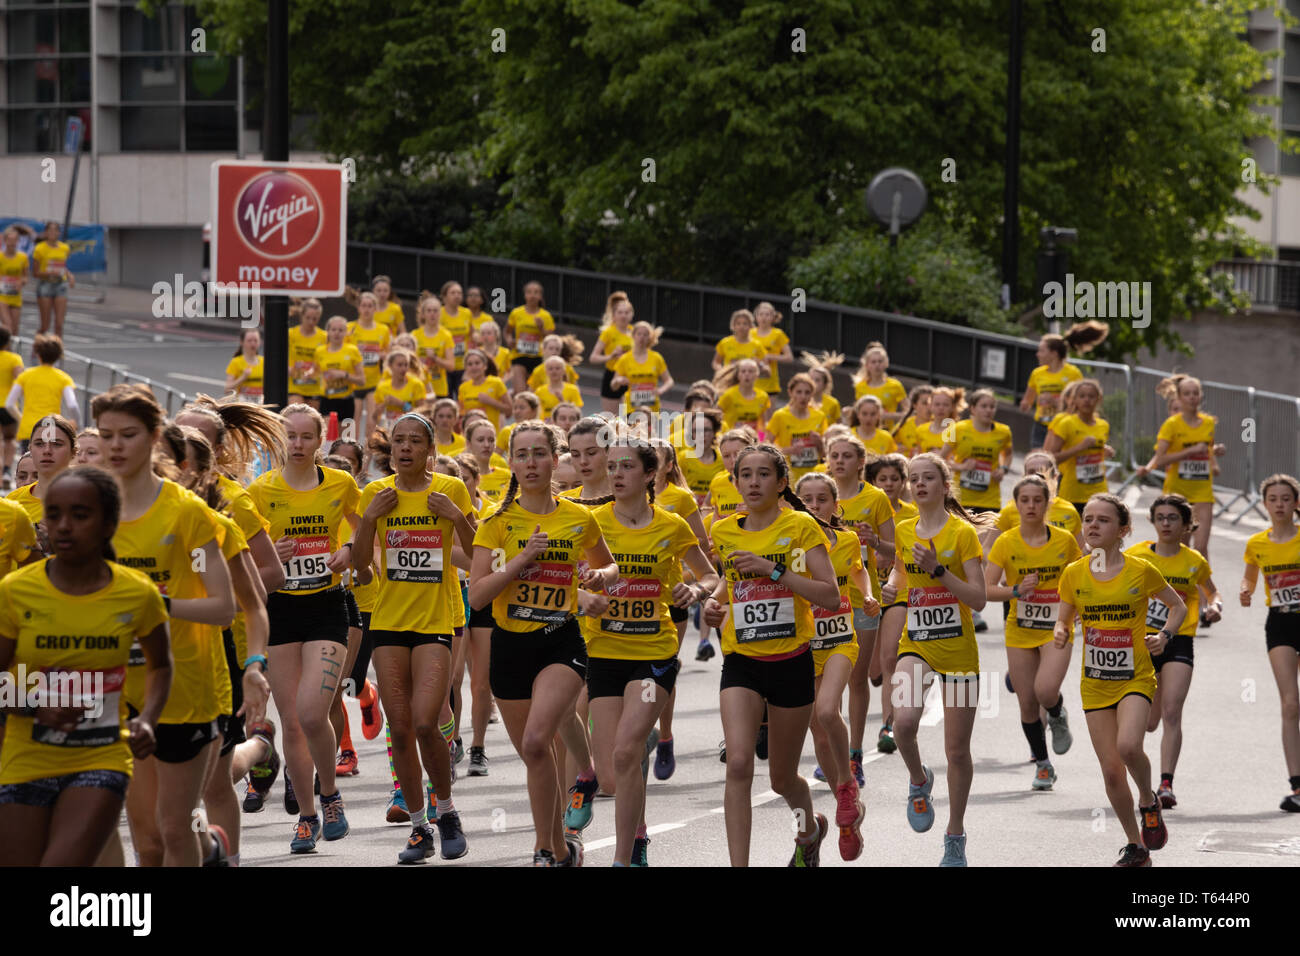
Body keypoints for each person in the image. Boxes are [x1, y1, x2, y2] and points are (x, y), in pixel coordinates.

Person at [94, 384, 237, 867]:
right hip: (116, 692)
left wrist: (158, 604)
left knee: (176, 826)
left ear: (155, 437)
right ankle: (210, 849)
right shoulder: (91, 514)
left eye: (128, 435)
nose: (115, 446)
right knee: (147, 840)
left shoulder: (186, 514)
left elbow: (223, 606)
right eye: (107, 435)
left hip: (184, 689)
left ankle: (208, 847)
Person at [0, 468, 171, 865]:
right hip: (25, 758)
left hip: (101, 757)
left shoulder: (136, 592)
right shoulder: (15, 591)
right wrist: (34, 706)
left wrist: (147, 717)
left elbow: (161, 665)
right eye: (54, 514)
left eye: (79, 515)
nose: (63, 526)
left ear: (108, 523)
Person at [469, 420, 620, 866]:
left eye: (539, 454)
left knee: (538, 742)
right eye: (522, 455)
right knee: (535, 757)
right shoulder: (496, 523)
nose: (530, 463)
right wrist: (521, 559)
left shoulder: (578, 517)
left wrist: (597, 576)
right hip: (510, 647)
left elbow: (610, 569)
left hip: (561, 642)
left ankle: (542, 849)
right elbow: (477, 595)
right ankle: (560, 845)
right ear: (511, 463)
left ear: (556, 461)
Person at [701, 444, 841, 866]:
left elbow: (831, 595)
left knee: (782, 779)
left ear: (781, 483)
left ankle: (809, 829)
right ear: (736, 481)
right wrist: (712, 605)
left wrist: (773, 569)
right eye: (746, 474)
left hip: (792, 662)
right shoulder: (724, 530)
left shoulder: (800, 525)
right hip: (741, 661)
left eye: (764, 475)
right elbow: (730, 582)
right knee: (739, 763)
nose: (754, 482)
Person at [583, 438, 718, 865]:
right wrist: (585, 593)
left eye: (627, 467)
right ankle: (637, 827)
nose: (617, 474)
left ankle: (625, 856)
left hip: (653, 652)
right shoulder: (591, 522)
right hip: (602, 652)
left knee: (625, 752)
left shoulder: (672, 525)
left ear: (649, 475)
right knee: (609, 775)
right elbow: (563, 576)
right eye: (612, 467)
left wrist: (694, 590)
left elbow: (711, 577)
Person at [353, 413, 474, 861]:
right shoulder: (375, 495)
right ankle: (420, 828)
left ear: (429, 449)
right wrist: (367, 520)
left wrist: (456, 516)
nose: (405, 448)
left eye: (414, 441)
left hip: (434, 622)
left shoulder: (450, 490)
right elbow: (362, 563)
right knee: (399, 729)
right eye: (398, 441)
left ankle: (447, 812)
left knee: (426, 722)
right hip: (387, 621)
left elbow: (481, 548)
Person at [247, 404, 360, 853]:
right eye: (289, 437)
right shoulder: (259, 491)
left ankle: (331, 795)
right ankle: (309, 817)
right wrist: (270, 551)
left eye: (305, 437)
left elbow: (364, 527)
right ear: (279, 441)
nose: (297, 445)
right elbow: (243, 559)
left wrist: (349, 549)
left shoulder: (341, 484)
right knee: (292, 723)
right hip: (280, 610)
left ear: (320, 442)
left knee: (314, 713)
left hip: (326, 606)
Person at [1056, 493, 1184, 866]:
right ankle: (1136, 845)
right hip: (1095, 681)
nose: (1092, 525)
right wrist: (1061, 631)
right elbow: (1062, 618)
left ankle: (1148, 797)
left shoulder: (1140, 570)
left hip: (1135, 677)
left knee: (1130, 746)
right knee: (1111, 771)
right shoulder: (1074, 573)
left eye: (1103, 520)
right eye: (1088, 519)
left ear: (1123, 529)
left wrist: (1165, 636)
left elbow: (1177, 606)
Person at [880, 453, 991, 867]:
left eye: (928, 478)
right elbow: (901, 573)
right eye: (914, 478)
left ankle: (955, 834)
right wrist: (892, 588)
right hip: (918, 642)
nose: (919, 484)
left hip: (959, 650)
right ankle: (918, 779)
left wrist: (940, 571)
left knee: (957, 751)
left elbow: (978, 599)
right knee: (902, 724)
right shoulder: (906, 529)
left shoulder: (963, 534)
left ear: (945, 486)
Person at [795, 472, 879, 860]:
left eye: (822, 499)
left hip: (841, 639)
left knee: (829, 710)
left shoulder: (846, 539)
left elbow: (859, 570)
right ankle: (846, 815)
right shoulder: (790, 541)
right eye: (807, 499)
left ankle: (846, 784)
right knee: (818, 728)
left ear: (835, 504)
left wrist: (866, 594)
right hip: (803, 644)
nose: (814, 506)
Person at [985, 474, 1082, 791]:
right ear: (1016, 504)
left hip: (1056, 627)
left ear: (1047, 504)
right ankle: (1043, 765)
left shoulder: (1064, 541)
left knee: (1045, 690)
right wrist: (1015, 590)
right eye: (1024, 500)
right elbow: (985, 589)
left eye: (1037, 500)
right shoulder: (1006, 542)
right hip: (1020, 630)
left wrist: (1077, 612)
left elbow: (1082, 581)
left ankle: (1056, 712)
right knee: (1027, 703)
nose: (1030, 506)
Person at [1126, 494, 1220, 809]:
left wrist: (1215, 607)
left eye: (1173, 518)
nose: (1166, 524)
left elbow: (1212, 591)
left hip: (1179, 639)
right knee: (1149, 722)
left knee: (1171, 711)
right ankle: (1139, 775)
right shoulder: (1138, 555)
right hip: (1142, 641)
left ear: (1185, 525)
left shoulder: (1194, 560)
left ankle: (1166, 783)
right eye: (1160, 518)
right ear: (1152, 522)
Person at [824, 434, 894, 784]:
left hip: (863, 598)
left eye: (846, 456)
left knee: (856, 677)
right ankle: (831, 750)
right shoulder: (817, 495)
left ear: (860, 462)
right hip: (825, 602)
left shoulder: (876, 498)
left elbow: (895, 550)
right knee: (827, 680)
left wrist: (876, 541)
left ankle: (854, 753)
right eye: (834, 455)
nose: (839, 461)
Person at [1240, 473, 1300, 813]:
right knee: (1290, 704)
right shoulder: (1257, 544)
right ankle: (1297, 784)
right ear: (1264, 504)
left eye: (1286, 498)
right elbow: (1249, 579)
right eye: (1273, 499)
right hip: (1279, 623)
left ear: (1296, 503)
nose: (1279, 504)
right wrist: (1245, 592)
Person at [1142, 375, 1226, 560]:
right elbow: (1161, 458)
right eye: (1187, 394)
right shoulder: (1171, 425)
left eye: (1195, 393)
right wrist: (1189, 452)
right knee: (1182, 547)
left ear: (1201, 396)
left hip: (1203, 492)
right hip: (1177, 494)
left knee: (1201, 547)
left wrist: (1215, 455)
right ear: (1179, 397)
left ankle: (1206, 590)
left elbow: (1207, 448)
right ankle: (1182, 588)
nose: (1192, 397)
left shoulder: (1208, 423)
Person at [1018, 324, 1107, 447]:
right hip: (1041, 426)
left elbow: (1079, 403)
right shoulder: (1037, 373)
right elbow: (1027, 400)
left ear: (1054, 353)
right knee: (1038, 463)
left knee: (1056, 462)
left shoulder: (1073, 373)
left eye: (1042, 351)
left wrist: (1054, 401)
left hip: (1063, 426)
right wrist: (1025, 404)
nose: (1037, 354)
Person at [1044, 379, 1114, 515]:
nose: (1087, 400)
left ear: (1098, 400)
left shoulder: (1103, 425)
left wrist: (1104, 450)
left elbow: (1095, 449)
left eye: (1091, 396)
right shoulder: (1066, 424)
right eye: (1082, 396)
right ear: (1074, 400)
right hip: (1073, 492)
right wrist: (1079, 448)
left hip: (1098, 489)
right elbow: (1051, 458)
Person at [942, 388, 1013, 514]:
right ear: (972, 408)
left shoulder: (1004, 432)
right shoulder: (957, 429)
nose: (988, 410)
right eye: (984, 406)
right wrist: (961, 466)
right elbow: (942, 460)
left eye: (992, 407)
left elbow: (1008, 454)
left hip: (990, 499)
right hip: (962, 498)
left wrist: (1003, 469)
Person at [5, 414, 76, 535]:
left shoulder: (89, 497)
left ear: (73, 452)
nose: (47, 451)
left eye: (57, 444)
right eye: (39, 444)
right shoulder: (13, 501)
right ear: (30, 449)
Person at [6, 334, 77, 452]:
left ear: (38, 355)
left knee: (28, 466)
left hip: (29, 429)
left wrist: (21, 418)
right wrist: (76, 423)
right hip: (52, 428)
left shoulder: (25, 375)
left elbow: (9, 404)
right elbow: (72, 405)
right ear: (59, 356)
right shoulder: (63, 378)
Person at [767, 372, 827, 482]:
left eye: (807, 392)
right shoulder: (780, 416)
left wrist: (819, 442)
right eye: (799, 392)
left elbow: (825, 454)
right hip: (788, 476)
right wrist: (790, 450)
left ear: (812, 394)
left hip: (813, 477)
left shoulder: (819, 416)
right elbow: (765, 448)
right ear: (790, 393)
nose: (803, 397)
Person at [347, 291, 392, 437]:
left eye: (370, 306)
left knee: (373, 422)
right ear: (358, 308)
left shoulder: (383, 330)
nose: (366, 309)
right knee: (353, 421)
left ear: (375, 308)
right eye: (363, 306)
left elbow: (389, 354)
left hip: (374, 381)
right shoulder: (350, 328)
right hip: (354, 382)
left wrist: (381, 354)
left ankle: (368, 456)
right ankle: (352, 454)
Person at [312, 315, 366, 426]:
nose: (337, 333)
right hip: (327, 400)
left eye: (341, 330)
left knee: (343, 441)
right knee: (327, 435)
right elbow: (315, 373)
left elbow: (362, 381)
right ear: (328, 331)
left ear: (346, 332)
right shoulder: (320, 351)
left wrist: (343, 374)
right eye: (333, 329)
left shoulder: (352, 350)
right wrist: (307, 374)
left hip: (346, 400)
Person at [611, 321, 672, 417]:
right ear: (633, 336)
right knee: (632, 431)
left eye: (645, 334)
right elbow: (613, 386)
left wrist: (660, 390)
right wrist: (618, 381)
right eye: (639, 334)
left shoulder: (656, 358)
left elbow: (669, 381)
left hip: (651, 407)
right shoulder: (625, 359)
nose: (642, 337)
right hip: (631, 406)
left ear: (650, 338)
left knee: (649, 432)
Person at [505, 280, 556, 395]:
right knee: (521, 394)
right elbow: (507, 331)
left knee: (535, 395)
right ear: (525, 295)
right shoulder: (516, 313)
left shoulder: (545, 316)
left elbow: (551, 339)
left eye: (536, 292)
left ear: (540, 296)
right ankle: (515, 395)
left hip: (538, 358)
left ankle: (511, 395)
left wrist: (541, 329)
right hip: (519, 356)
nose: (532, 295)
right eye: (529, 292)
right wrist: (509, 340)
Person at [590, 292, 634, 414]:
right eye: (620, 312)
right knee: (611, 420)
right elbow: (593, 358)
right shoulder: (608, 333)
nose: (623, 316)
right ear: (614, 315)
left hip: (630, 377)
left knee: (634, 420)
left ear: (631, 315)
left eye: (626, 312)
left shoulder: (635, 333)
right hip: (612, 374)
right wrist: (611, 356)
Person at [32, 221, 74, 339]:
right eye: (50, 230)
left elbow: (62, 267)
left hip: (60, 285)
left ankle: (58, 351)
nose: (52, 233)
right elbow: (35, 273)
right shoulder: (39, 249)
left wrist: (70, 276)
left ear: (59, 233)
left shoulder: (64, 248)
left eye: (55, 230)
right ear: (45, 233)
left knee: (59, 324)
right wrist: (50, 273)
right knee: (45, 325)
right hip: (45, 285)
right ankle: (38, 348)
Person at [369, 349, 428, 432]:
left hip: (411, 430)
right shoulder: (382, 387)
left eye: (406, 365)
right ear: (390, 366)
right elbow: (374, 416)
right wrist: (384, 404)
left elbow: (422, 415)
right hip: (389, 430)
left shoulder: (416, 384)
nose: (404, 368)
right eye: (399, 365)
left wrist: (402, 404)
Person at [852, 343, 906, 427]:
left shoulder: (895, 385)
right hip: (865, 432)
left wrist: (888, 416)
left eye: (880, 361)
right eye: (873, 362)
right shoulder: (860, 386)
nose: (877, 365)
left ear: (886, 363)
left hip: (887, 431)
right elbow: (857, 413)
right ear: (867, 365)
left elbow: (909, 413)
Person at [412, 293, 454, 399]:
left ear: (440, 313)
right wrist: (419, 361)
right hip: (419, 388)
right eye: (429, 311)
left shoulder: (446, 336)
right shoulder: (415, 335)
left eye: (435, 311)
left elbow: (451, 366)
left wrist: (435, 358)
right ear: (423, 314)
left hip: (439, 389)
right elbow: (408, 363)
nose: (432, 314)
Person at [457, 348, 511, 429]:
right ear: (466, 368)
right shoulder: (463, 387)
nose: (474, 367)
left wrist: (491, 401)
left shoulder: (496, 383)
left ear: (485, 366)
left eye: (477, 363)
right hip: (471, 435)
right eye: (470, 364)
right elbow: (461, 413)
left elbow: (509, 410)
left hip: (491, 433)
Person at [288, 298, 327, 407]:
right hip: (294, 385)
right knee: (296, 413)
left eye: (315, 319)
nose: (311, 322)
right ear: (302, 315)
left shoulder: (324, 337)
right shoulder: (291, 334)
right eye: (308, 318)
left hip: (314, 387)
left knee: (311, 420)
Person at [714, 359, 770, 434]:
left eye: (751, 371)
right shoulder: (729, 395)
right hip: (730, 438)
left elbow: (763, 424)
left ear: (757, 374)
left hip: (751, 440)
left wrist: (761, 440)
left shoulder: (763, 396)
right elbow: (715, 416)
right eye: (743, 371)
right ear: (738, 375)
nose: (747, 374)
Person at [439, 281, 473, 397]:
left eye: (459, 293)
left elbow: (471, 335)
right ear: (444, 296)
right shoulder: (439, 314)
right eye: (453, 293)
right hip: (444, 365)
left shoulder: (467, 313)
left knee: (462, 399)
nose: (457, 296)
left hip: (463, 365)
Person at [752, 301, 792, 396]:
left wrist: (769, 357)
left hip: (770, 384)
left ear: (773, 317)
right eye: (761, 314)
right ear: (756, 316)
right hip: (751, 382)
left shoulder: (778, 334)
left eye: (767, 314)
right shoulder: (750, 333)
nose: (764, 317)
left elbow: (789, 357)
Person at [711, 309, 767, 373]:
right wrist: (721, 370)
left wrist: (760, 365)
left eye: (745, 323)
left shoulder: (757, 345)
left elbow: (766, 367)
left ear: (751, 326)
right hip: (729, 381)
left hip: (749, 382)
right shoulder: (725, 342)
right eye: (738, 323)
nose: (741, 326)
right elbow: (716, 362)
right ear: (733, 326)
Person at [0, 225, 30, 336]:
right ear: (5, 241)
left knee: (15, 329)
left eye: (14, 240)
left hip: (16, 296)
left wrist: (21, 282)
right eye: (9, 240)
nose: (12, 243)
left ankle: (12, 352)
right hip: (2, 296)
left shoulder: (23, 258)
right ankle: (4, 352)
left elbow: (26, 276)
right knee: (8, 327)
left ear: (18, 241)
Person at [801, 351, 844, 427]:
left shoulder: (833, 403)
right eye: (810, 379)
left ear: (825, 384)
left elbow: (839, 426)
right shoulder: (801, 400)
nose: (813, 383)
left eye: (817, 380)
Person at [225, 329, 265, 404]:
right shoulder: (236, 362)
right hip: (243, 407)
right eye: (249, 341)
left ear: (260, 342)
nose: (253, 344)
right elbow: (227, 389)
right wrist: (242, 378)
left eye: (256, 340)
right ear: (242, 342)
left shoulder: (264, 362)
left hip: (260, 407)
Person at [894, 384, 933, 455]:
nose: (929, 407)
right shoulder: (904, 425)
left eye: (932, 403)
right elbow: (888, 446)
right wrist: (897, 450)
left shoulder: (942, 426)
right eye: (925, 403)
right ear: (914, 405)